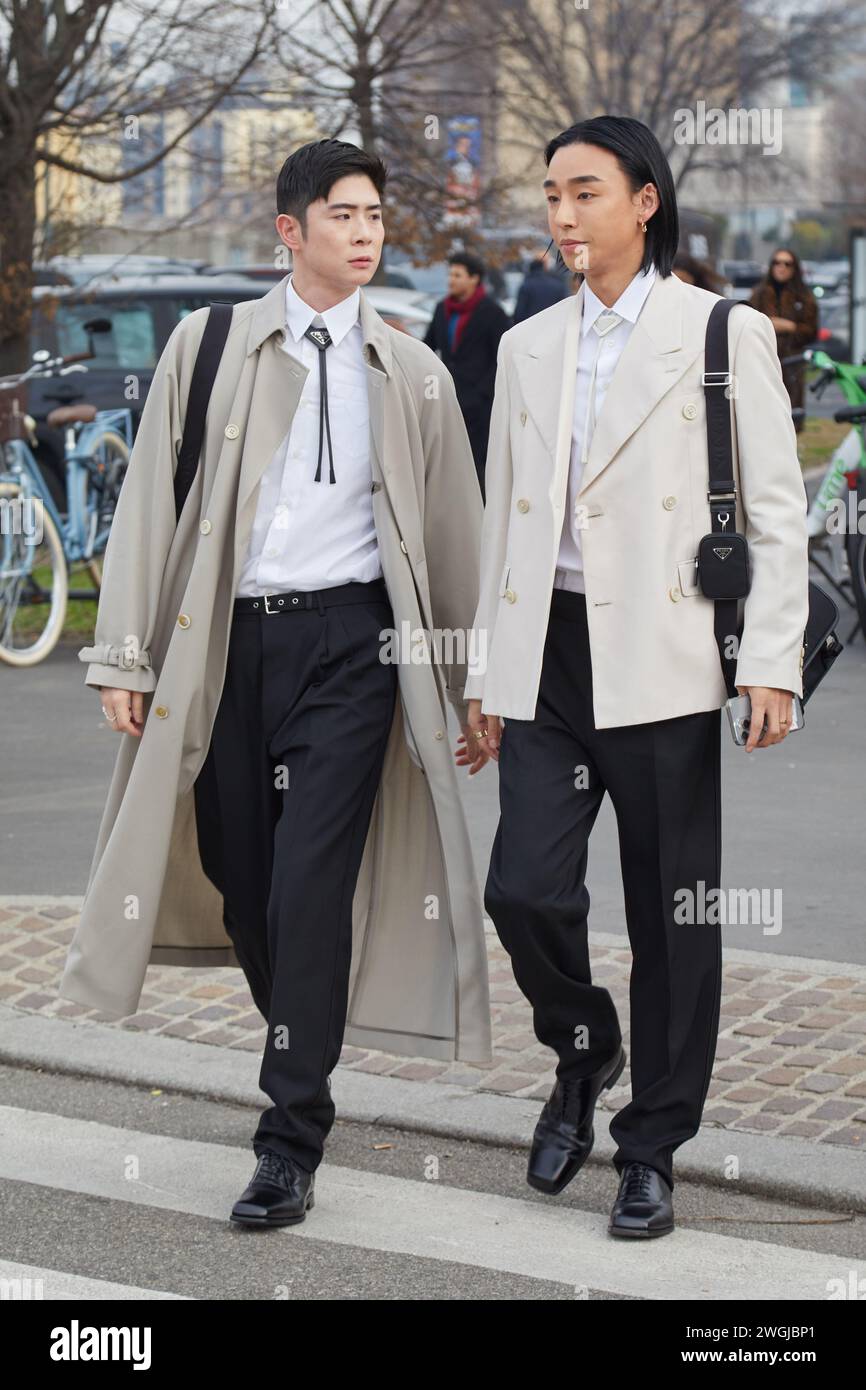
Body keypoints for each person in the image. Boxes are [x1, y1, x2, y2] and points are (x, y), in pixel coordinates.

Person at [60, 137, 494, 1229]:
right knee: (247, 881)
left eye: (374, 217)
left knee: (308, 889)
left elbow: (454, 538)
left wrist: (471, 679)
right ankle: (298, 1034)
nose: (363, 233)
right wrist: (125, 654)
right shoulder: (209, 348)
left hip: (353, 652)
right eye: (340, 216)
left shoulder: (413, 372)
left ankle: (287, 1135)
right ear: (288, 233)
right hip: (224, 651)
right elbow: (148, 505)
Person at [459, 115, 809, 1238]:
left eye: (585, 193)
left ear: (643, 201)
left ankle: (651, 1144)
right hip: (550, 659)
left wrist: (770, 662)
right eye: (550, 194)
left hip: (659, 660)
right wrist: (483, 668)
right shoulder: (526, 345)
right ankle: (581, 1049)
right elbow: (501, 521)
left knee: (673, 916)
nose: (562, 214)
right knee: (521, 889)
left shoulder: (720, 332)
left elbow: (773, 512)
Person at [424, 252, 509, 498]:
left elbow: (502, 358)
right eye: (450, 274)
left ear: (474, 279)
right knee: (447, 466)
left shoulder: (492, 312)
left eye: (457, 275)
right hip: (447, 401)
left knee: (478, 468)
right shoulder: (442, 309)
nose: (451, 280)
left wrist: (483, 393)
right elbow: (427, 348)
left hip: (481, 409)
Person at [749, 248, 818, 433]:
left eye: (787, 264)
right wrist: (768, 324)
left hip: (792, 364)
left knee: (789, 418)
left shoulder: (804, 297)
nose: (781, 267)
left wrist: (789, 326)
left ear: (794, 268)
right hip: (762, 360)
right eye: (777, 263)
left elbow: (812, 331)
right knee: (761, 417)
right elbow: (745, 325)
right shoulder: (759, 294)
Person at [512, 248, 569, 324]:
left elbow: (519, 314)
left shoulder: (527, 284)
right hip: (554, 328)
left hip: (531, 329)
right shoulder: (558, 284)